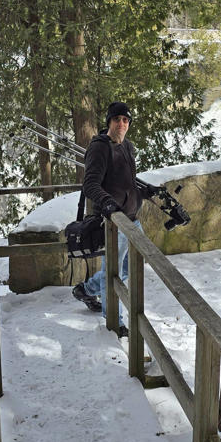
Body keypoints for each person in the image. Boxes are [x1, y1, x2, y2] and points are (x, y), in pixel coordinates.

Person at [72, 101, 143, 336]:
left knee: (124, 272)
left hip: (132, 220)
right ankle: (114, 322)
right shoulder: (100, 148)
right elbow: (90, 184)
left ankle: (85, 289)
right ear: (109, 122)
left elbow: (127, 182)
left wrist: (147, 192)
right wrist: (108, 203)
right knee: (115, 272)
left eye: (125, 120)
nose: (121, 124)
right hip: (114, 223)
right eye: (117, 119)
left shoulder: (127, 146)